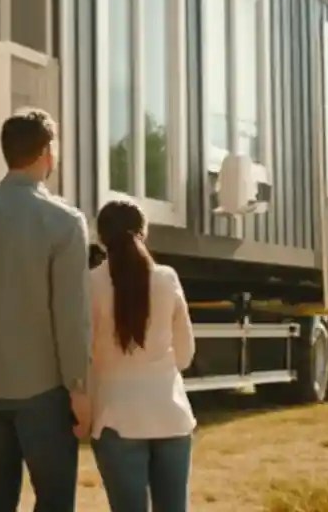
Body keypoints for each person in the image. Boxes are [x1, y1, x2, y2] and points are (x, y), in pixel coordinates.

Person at [0, 108, 92, 512]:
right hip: (43, 391)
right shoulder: (65, 222)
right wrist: (79, 386)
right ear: (47, 153)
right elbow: (71, 313)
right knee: (55, 499)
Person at [88, 199, 196, 512]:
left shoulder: (90, 283)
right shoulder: (167, 279)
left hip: (115, 418)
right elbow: (186, 355)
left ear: (100, 238)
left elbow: (84, 354)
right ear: (144, 233)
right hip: (171, 415)